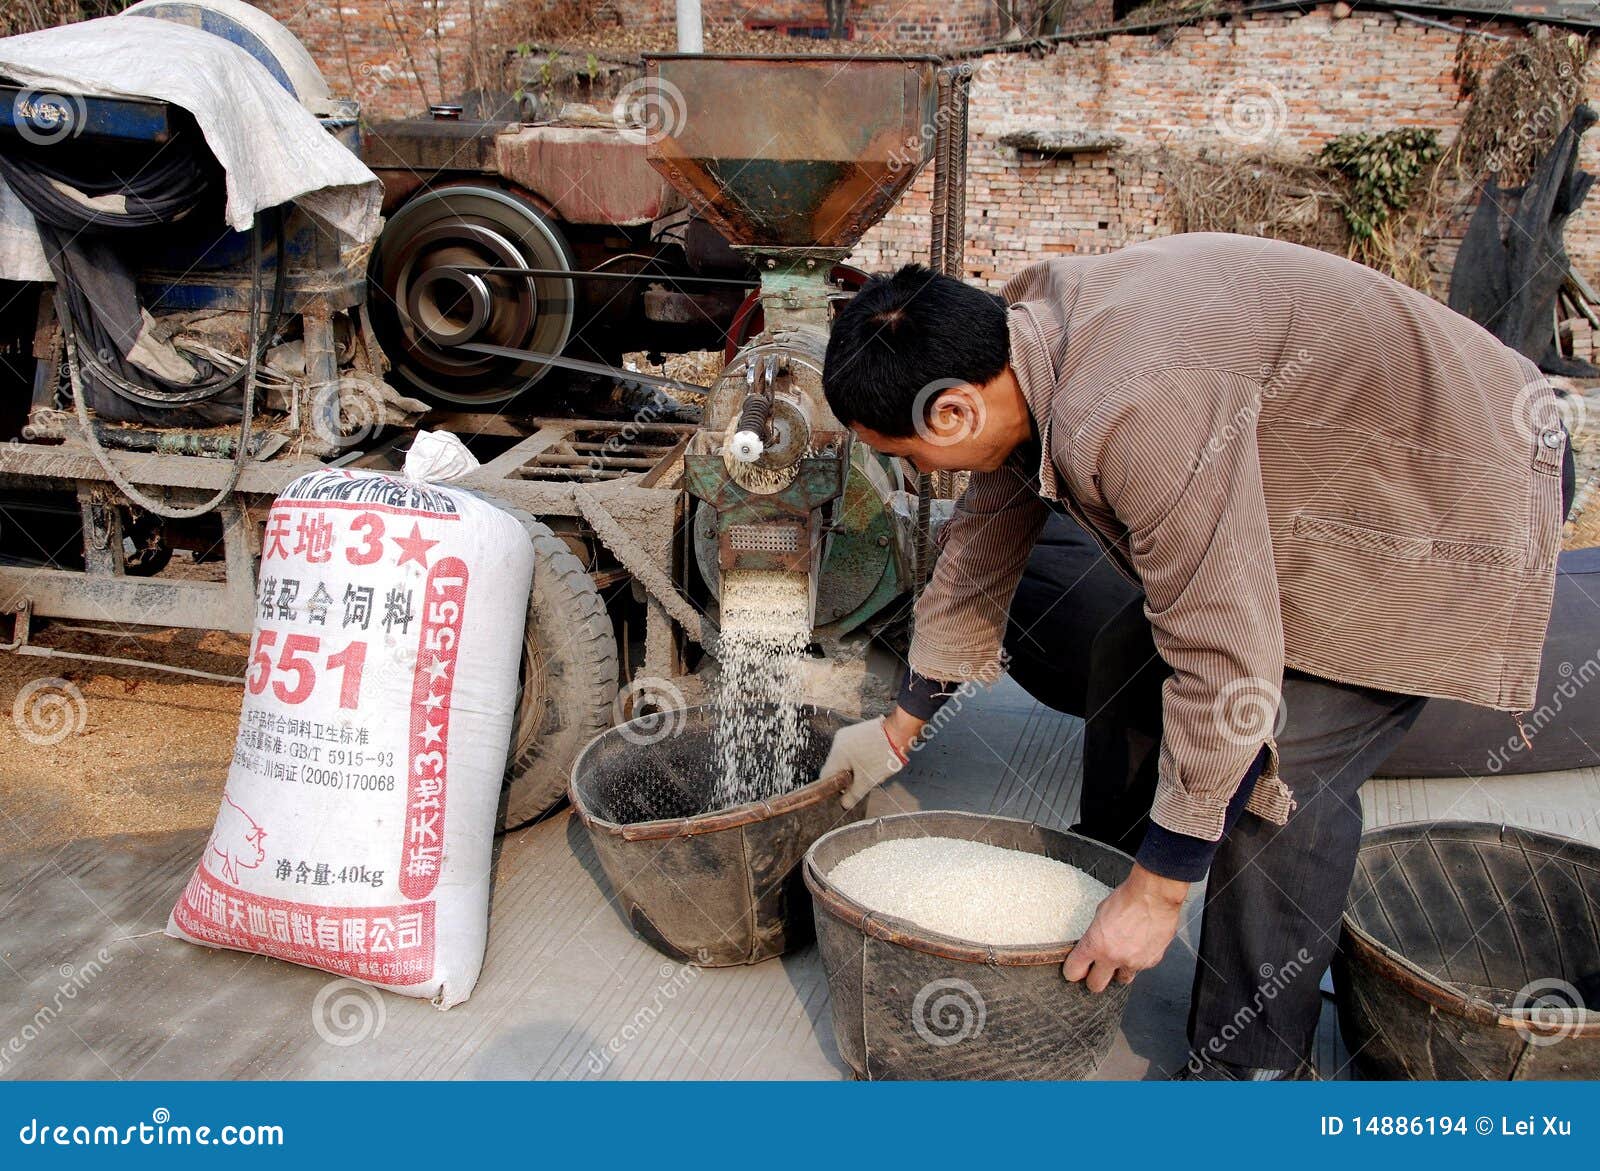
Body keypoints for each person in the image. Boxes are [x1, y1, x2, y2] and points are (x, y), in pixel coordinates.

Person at [816, 232, 1566, 1080]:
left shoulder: (1136, 403)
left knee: (1278, 774)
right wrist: (900, 722)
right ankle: (1103, 873)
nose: (912, 474)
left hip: (1454, 473)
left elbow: (1225, 659)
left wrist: (1163, 890)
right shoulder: (1023, 337)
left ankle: (1248, 1069)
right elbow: (987, 525)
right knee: (1127, 656)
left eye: (903, 456)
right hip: (1323, 456)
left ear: (950, 411)